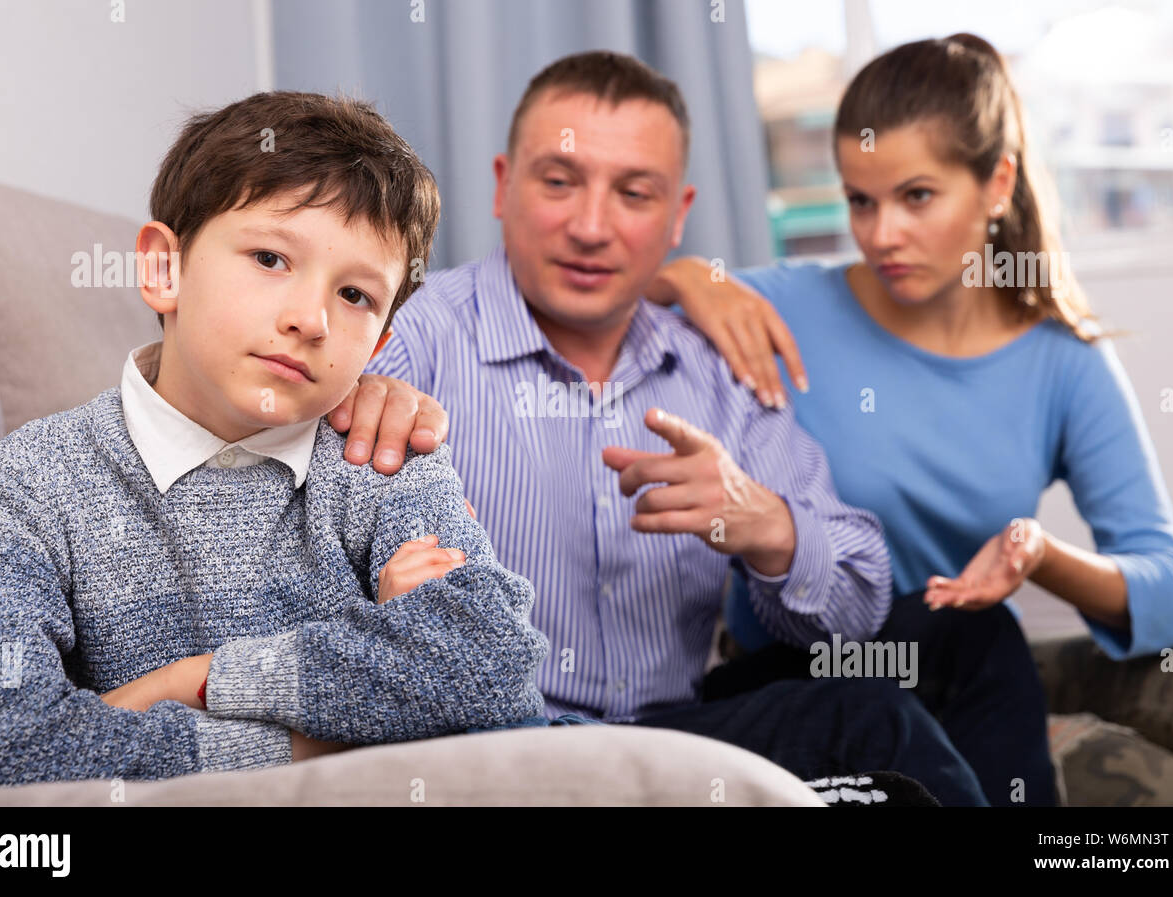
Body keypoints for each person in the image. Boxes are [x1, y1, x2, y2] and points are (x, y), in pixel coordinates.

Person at [351, 50, 989, 806]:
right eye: (559, 182)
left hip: (674, 743)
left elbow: (859, 596)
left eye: (634, 193)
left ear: (679, 213)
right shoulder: (411, 336)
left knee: (877, 718)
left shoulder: (717, 372)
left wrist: (768, 526)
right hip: (490, 751)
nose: (591, 227)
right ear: (502, 185)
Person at [0, 90, 551, 788]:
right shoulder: (22, 486)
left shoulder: (385, 457)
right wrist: (335, 734)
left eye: (355, 296)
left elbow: (498, 669)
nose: (311, 319)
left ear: (378, 344)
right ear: (165, 268)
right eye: (271, 259)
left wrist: (189, 679)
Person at [646, 34, 1173, 806]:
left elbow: (1172, 588)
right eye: (860, 201)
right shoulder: (777, 304)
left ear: (996, 181)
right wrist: (682, 277)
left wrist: (1038, 553)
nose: (881, 235)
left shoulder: (1060, 360)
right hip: (803, 662)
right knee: (981, 638)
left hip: (960, 660)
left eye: (916, 197)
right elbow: (594, 283)